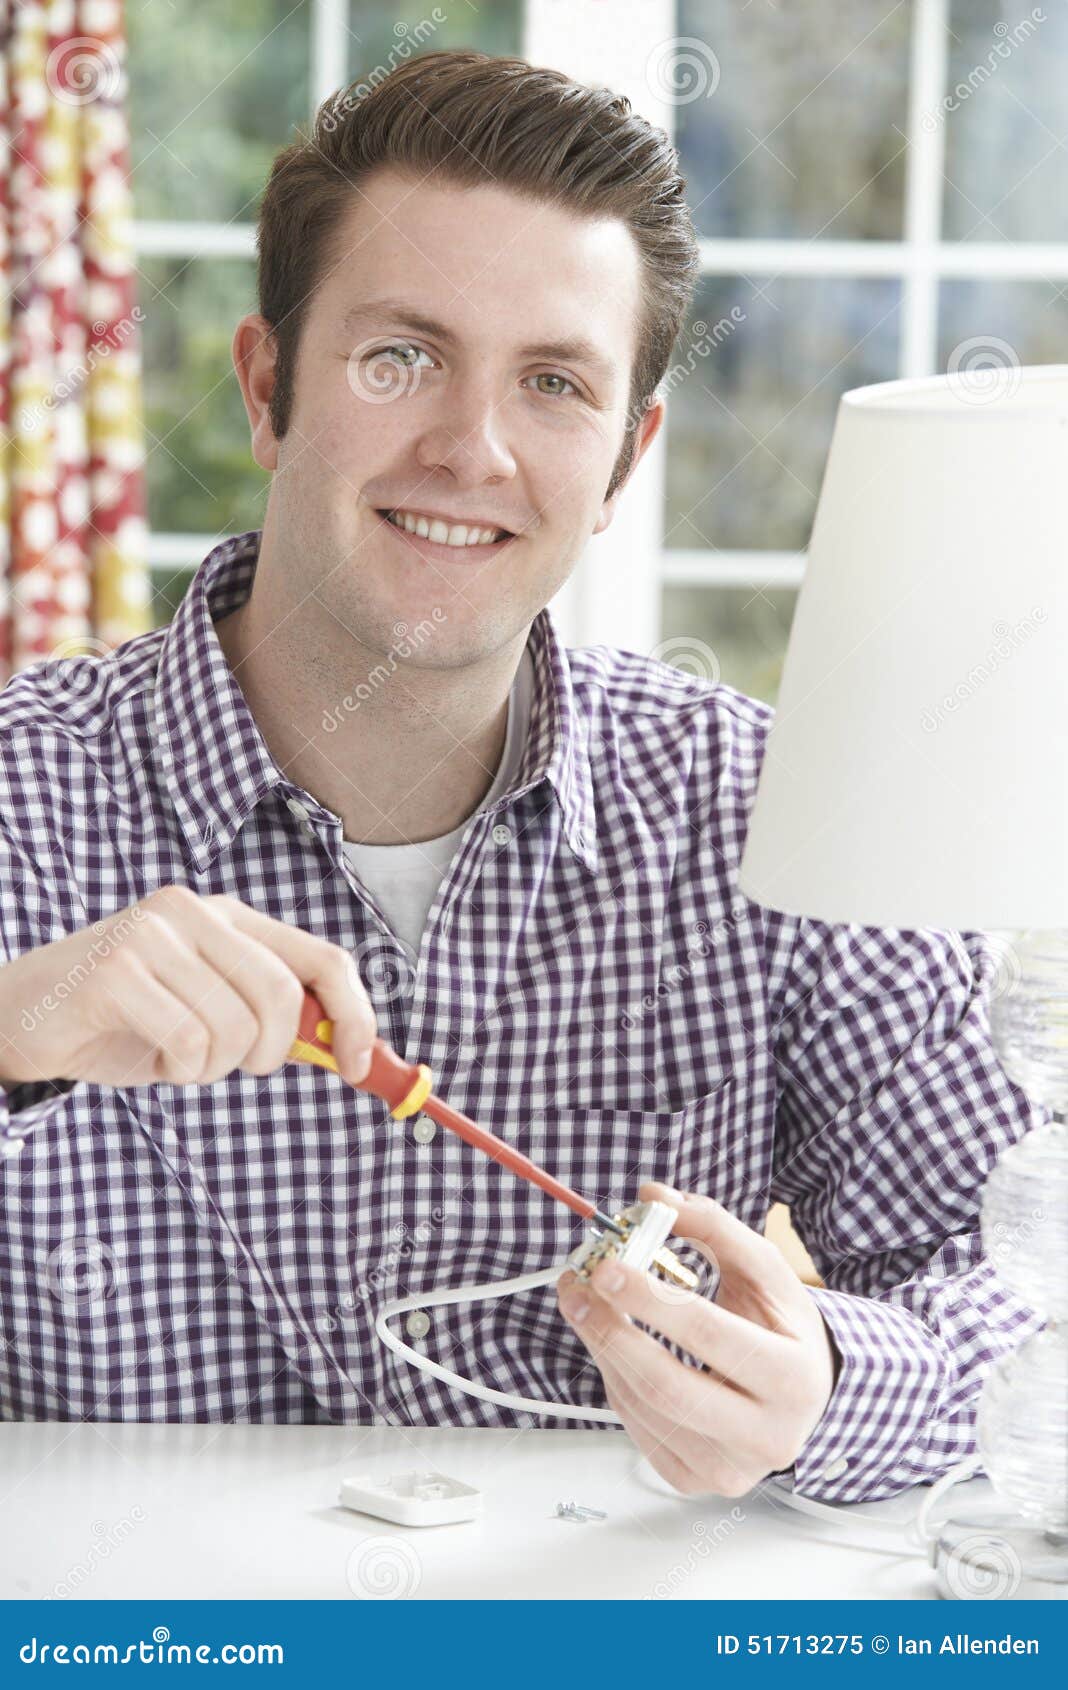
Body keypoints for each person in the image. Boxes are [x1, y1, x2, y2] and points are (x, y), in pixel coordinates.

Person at [0, 50, 1047, 1503]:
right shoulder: (19, 798)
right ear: (265, 388)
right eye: (400, 357)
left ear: (626, 461)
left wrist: (826, 1392)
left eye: (554, 383)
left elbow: (1022, 1280)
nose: (470, 447)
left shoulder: (762, 812)